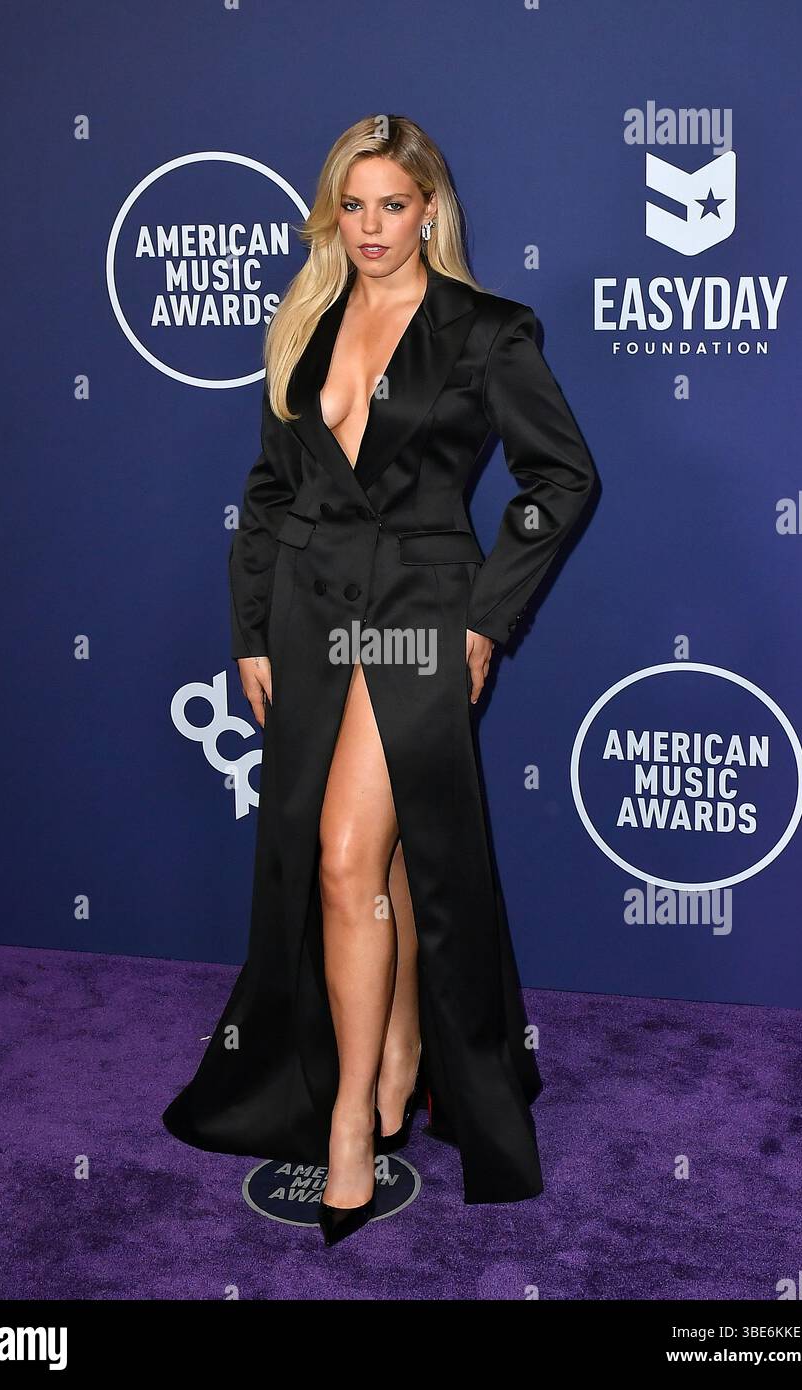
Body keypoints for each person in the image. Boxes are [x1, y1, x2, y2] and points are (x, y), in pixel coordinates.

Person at [162, 113, 598, 1247]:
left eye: (391, 206)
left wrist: (487, 617)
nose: (369, 228)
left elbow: (562, 477)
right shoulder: (306, 323)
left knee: (347, 853)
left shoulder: (485, 331)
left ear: (428, 210)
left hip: (417, 615)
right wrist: (251, 630)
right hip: (307, 610)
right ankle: (400, 1054)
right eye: (351, 206)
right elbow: (269, 492)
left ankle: (351, 1119)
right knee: (383, 856)